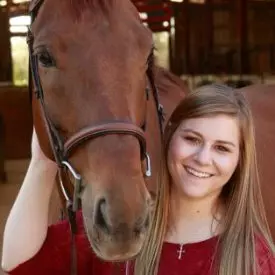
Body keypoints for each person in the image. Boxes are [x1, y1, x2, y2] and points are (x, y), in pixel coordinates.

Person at [2, 84, 275, 275]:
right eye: (192, 139)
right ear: (169, 138)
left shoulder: (253, 258)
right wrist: (41, 163)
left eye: (222, 148)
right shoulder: (122, 231)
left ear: (240, 160)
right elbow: (17, 263)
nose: (203, 158)